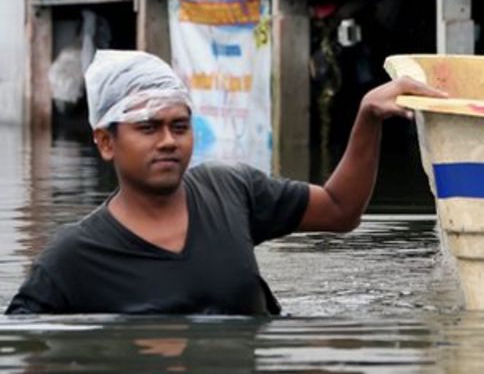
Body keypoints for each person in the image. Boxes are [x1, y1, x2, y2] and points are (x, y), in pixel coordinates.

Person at [6, 50, 445, 315]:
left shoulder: (229, 191)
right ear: (105, 141)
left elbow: (339, 209)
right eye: (148, 128)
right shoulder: (73, 258)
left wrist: (367, 116)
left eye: (179, 126)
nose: (167, 141)